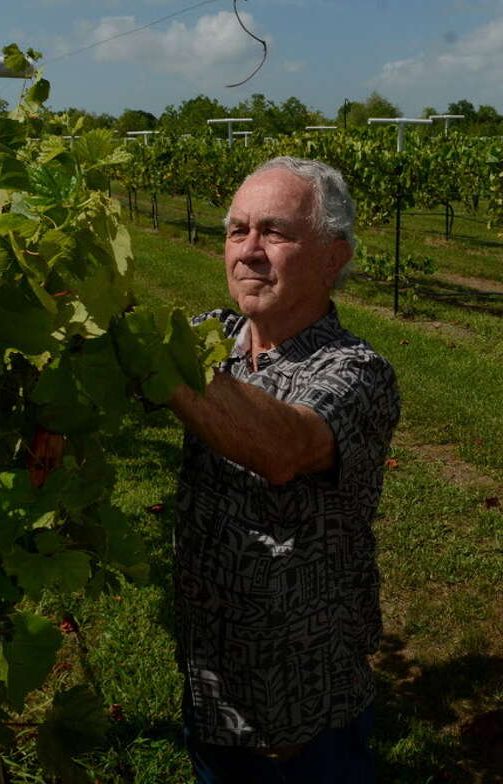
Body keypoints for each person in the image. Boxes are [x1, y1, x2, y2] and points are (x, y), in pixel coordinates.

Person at [165, 156, 401, 783]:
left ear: (334, 257)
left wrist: (152, 358)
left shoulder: (357, 372)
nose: (248, 251)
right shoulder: (215, 337)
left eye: (275, 232)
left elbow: (283, 447)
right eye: (236, 230)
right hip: (211, 678)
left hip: (300, 698)